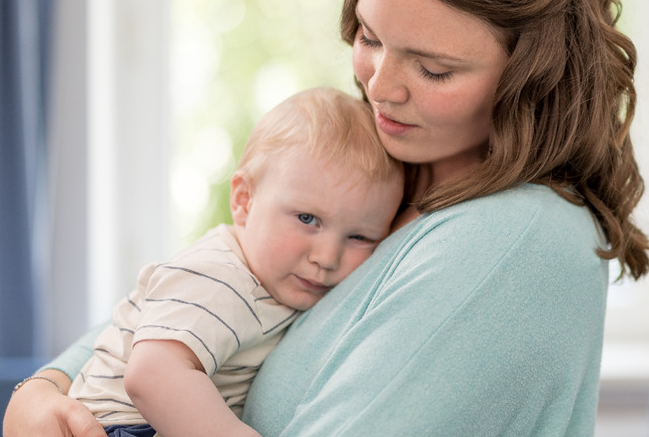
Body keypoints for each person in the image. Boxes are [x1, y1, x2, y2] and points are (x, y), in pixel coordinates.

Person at [4, 0, 649, 436]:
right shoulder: (383, 164)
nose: (381, 87)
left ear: (531, 72)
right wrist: (40, 393)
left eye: (433, 69)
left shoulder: (517, 241)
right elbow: (182, 299)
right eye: (371, 38)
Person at [57, 87, 403, 437]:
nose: (327, 257)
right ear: (244, 200)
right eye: (307, 219)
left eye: (359, 237)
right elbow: (152, 375)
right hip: (120, 426)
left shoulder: (274, 279)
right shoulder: (219, 277)